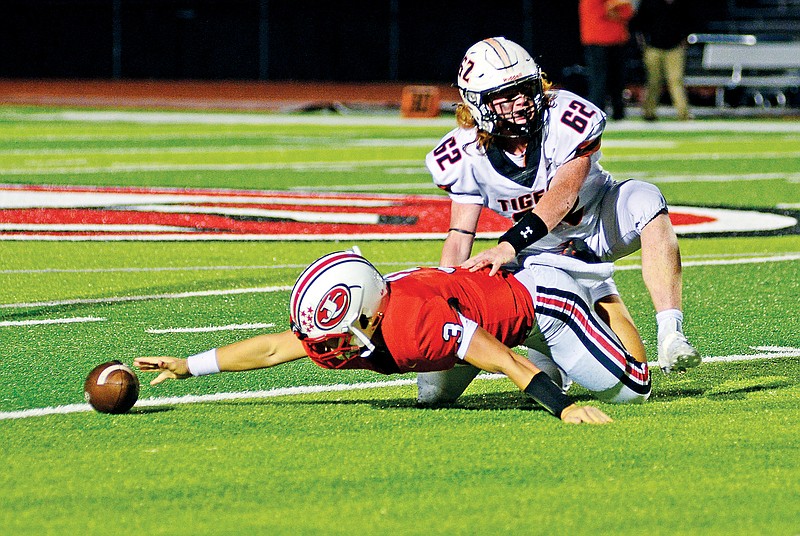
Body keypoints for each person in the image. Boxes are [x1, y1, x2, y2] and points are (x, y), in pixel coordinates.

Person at [423, 37, 699, 406]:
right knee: (434, 392)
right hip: (542, 254)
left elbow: (561, 197)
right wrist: (447, 292)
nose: (521, 101)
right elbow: (460, 235)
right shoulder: (462, 154)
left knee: (646, 198)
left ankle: (671, 333)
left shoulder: (565, 117)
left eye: (525, 89)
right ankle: (549, 355)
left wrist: (508, 245)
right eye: (506, 95)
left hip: (601, 219)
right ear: (477, 103)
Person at [135, 249, 655, 424]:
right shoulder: (368, 319)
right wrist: (187, 365)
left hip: (537, 304)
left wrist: (562, 407)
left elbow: (505, 361)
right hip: (466, 317)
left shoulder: (413, 327)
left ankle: (605, 293)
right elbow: (275, 346)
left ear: (368, 315)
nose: (326, 349)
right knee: (433, 394)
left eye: (336, 336)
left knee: (632, 387)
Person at [630, 0, 693, 121]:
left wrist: (683, 41)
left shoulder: (681, 4)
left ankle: (683, 113)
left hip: (674, 48)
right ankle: (649, 112)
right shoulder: (649, 3)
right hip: (653, 48)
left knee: (675, 81)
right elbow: (638, 23)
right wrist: (643, 44)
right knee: (653, 82)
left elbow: (688, 21)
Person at [578, 0, 635, 120]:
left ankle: (606, 112)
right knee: (601, 79)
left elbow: (627, 11)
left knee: (612, 78)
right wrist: (616, 10)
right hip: (600, 39)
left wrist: (614, 9)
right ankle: (602, 112)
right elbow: (620, 10)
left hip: (609, 39)